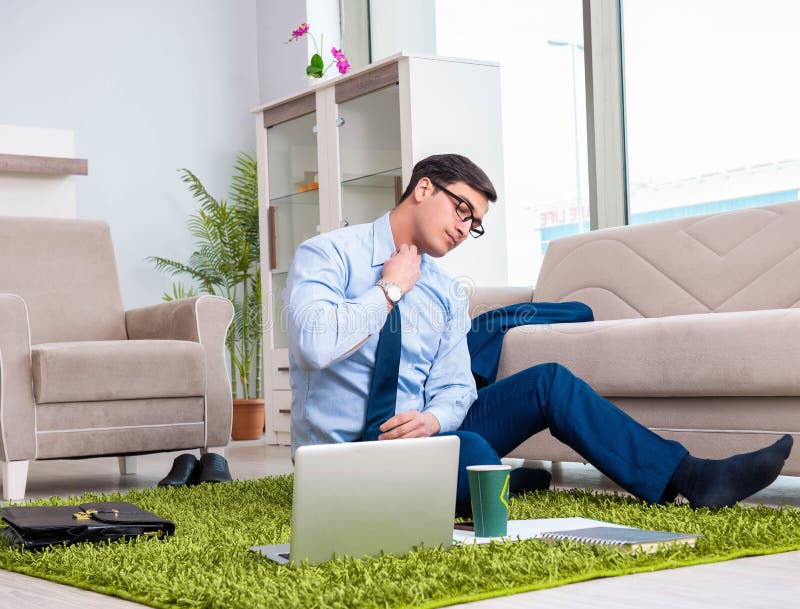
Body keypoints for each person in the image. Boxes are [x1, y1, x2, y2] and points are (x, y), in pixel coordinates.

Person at [283, 153, 793, 511]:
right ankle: (494, 480)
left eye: (475, 223)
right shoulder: (328, 255)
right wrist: (389, 291)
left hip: (423, 439)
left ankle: (692, 477)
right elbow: (313, 345)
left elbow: (457, 388)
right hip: (344, 458)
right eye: (462, 210)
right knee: (478, 457)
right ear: (422, 189)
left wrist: (435, 422)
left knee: (546, 380)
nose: (465, 230)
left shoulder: (442, 291)